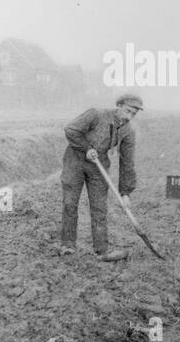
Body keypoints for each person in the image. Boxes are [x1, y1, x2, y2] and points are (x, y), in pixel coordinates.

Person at [60, 94, 143, 262]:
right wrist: (86, 148)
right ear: (119, 105)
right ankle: (68, 245)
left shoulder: (128, 131)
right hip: (75, 160)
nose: (129, 117)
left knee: (99, 207)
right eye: (127, 111)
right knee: (70, 203)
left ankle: (102, 250)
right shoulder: (96, 114)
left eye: (133, 114)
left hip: (99, 164)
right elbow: (71, 130)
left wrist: (125, 192)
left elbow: (127, 163)